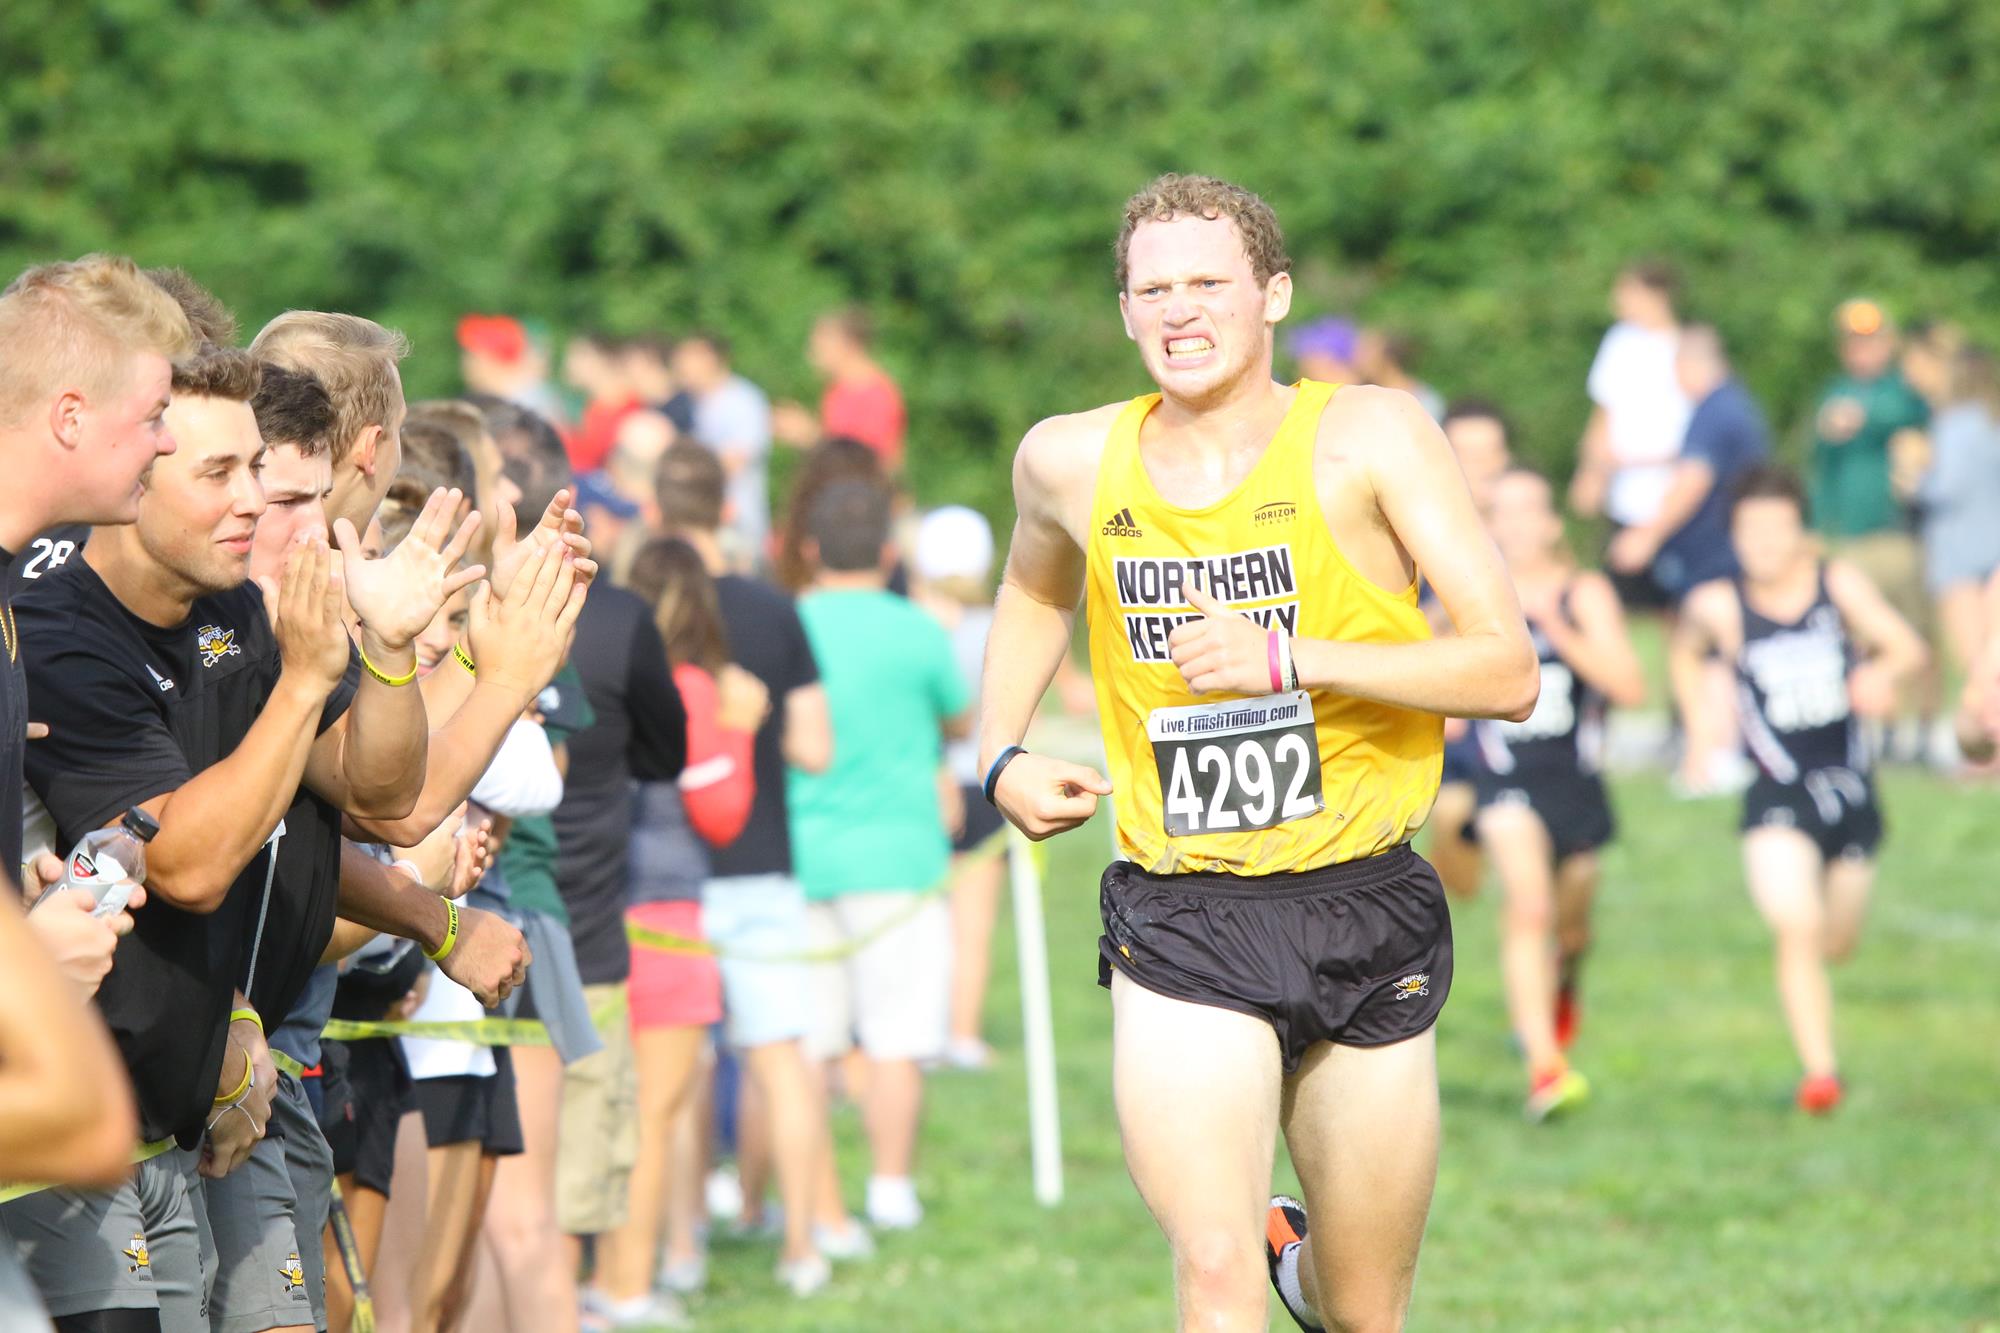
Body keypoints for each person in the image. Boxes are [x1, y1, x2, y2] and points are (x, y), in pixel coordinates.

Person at [980, 173, 1537, 1332]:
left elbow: (1503, 670)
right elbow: (1034, 586)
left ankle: (1308, 1278)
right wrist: (999, 753)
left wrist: (1291, 656)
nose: (1179, 311)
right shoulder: (1067, 461)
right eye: (1151, 289)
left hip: (1364, 899)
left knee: (1360, 1311)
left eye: (1207, 284)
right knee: (1214, 1273)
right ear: (1124, 311)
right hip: (1186, 916)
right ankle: (1257, 1273)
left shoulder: (1367, 436)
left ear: (1271, 295)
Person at [1, 341, 436, 1333]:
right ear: (134, 484)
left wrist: (398, 653)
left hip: (191, 1112)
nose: (252, 499)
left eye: (259, 471)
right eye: (219, 473)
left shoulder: (237, 613)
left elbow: (381, 790)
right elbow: (188, 865)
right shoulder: (60, 628)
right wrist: (301, 682)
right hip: (69, 1129)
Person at [652, 440, 855, 1297]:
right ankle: (804, 1245)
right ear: (727, 508)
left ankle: (681, 1247)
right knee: (783, 1060)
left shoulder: (648, 607)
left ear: (658, 510)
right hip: (764, 864)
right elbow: (814, 746)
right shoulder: (775, 611)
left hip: (671, 877)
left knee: (678, 1074)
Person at [1672, 466, 1926, 1113]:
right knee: (1797, 926)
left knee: (1835, 939)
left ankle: (1821, 1025)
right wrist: (1702, 725)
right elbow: (1683, 651)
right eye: (1748, 529)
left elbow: (1908, 648)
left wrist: (1879, 671)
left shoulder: (1835, 584)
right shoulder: (1719, 604)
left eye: (1775, 528)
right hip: (1774, 796)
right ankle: (1821, 1073)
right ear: (1733, 534)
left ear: (1800, 533)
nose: (1761, 542)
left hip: (1848, 789)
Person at [593, 536, 765, 1328]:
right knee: (652, 1117)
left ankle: (600, 1276)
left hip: (602, 910)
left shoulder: (605, 674)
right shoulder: (691, 687)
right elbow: (719, 812)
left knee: (606, 1111)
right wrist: (738, 728)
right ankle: (628, 1286)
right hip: (667, 920)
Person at [538, 410, 691, 1294]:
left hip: (466, 929)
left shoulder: (460, 610)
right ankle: (596, 1297)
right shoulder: (621, 617)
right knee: (584, 1160)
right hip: (586, 924)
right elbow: (665, 754)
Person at [793, 479, 971, 1233]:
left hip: (802, 854)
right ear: (891, 553)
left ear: (807, 551)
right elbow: (962, 718)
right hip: (901, 856)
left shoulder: (787, 621)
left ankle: (814, 1196)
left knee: (807, 1043)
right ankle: (890, 1186)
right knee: (898, 1037)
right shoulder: (918, 628)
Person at [1469, 468, 1645, 1120]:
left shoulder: (1583, 593)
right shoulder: (1470, 596)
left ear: (1550, 523)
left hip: (1574, 782)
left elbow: (1630, 687)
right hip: (1504, 782)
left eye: (1528, 511)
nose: (1514, 525)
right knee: (1529, 906)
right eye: (1500, 512)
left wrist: (1555, 631)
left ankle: (1565, 975)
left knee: (1570, 926)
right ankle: (1546, 1069)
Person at [1607, 324, 1771, 792]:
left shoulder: (1712, 412)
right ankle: (1720, 752)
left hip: (1711, 553)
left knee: (1698, 651)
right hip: (1726, 549)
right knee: (1716, 650)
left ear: (1690, 365)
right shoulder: (1734, 407)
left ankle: (1712, 754)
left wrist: (1647, 535)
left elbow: (1694, 479)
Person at [1806, 299, 1935, 751]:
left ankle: (1922, 731)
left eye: (1871, 341)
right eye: (1854, 342)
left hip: (1900, 532)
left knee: (1917, 633)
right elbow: (1820, 463)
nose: (1862, 351)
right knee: (1868, 637)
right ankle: (1885, 731)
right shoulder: (1834, 391)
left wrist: (1865, 419)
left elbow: (1914, 419)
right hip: (1851, 537)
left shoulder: (1903, 389)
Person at [911, 504, 1009, 1070]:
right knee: (971, 925)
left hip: (924, 783)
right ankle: (963, 1034)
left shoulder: (915, 625)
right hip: (979, 783)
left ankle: (921, 1034)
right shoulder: (998, 627)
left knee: (923, 920)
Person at [1427, 399, 1517, 901]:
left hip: (1522, 710)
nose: (1476, 468)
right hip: (1457, 707)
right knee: (1453, 815)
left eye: (1488, 455)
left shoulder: (1528, 527)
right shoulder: (1416, 530)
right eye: (1464, 454)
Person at [1568, 259, 1690, 612]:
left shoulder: (1682, 346)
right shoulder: (1620, 340)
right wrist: (1590, 469)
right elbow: (1604, 411)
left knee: (1673, 596)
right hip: (1622, 485)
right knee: (1621, 589)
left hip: (1668, 486)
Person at [1907, 338, 2000, 680]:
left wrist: (1914, 485)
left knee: (1975, 667)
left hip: (1958, 557)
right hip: (1995, 552)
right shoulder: (1994, 422)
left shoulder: (1953, 424)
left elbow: (1947, 487)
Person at [672, 333, 773, 569]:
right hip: (708, 524)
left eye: (686, 358)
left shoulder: (743, 401)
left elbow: (736, 459)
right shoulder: (696, 404)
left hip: (738, 525)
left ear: (709, 358)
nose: (679, 367)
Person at [773, 308, 907, 470]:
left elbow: (868, 467)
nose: (812, 357)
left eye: (821, 348)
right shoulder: (836, 392)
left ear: (849, 345)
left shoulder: (876, 396)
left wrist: (810, 437)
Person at [457, 314, 565, 425]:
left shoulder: (525, 405)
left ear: (489, 359)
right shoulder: (510, 397)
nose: (465, 362)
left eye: (471, 354)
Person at [561, 331, 640, 474]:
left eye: (578, 357)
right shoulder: (595, 407)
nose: (569, 364)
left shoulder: (627, 408)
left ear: (601, 358)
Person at [1353, 328, 1444, 420]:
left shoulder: (1426, 402)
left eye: (1367, 353)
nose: (1359, 360)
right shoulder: (1360, 396)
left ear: (1387, 359)